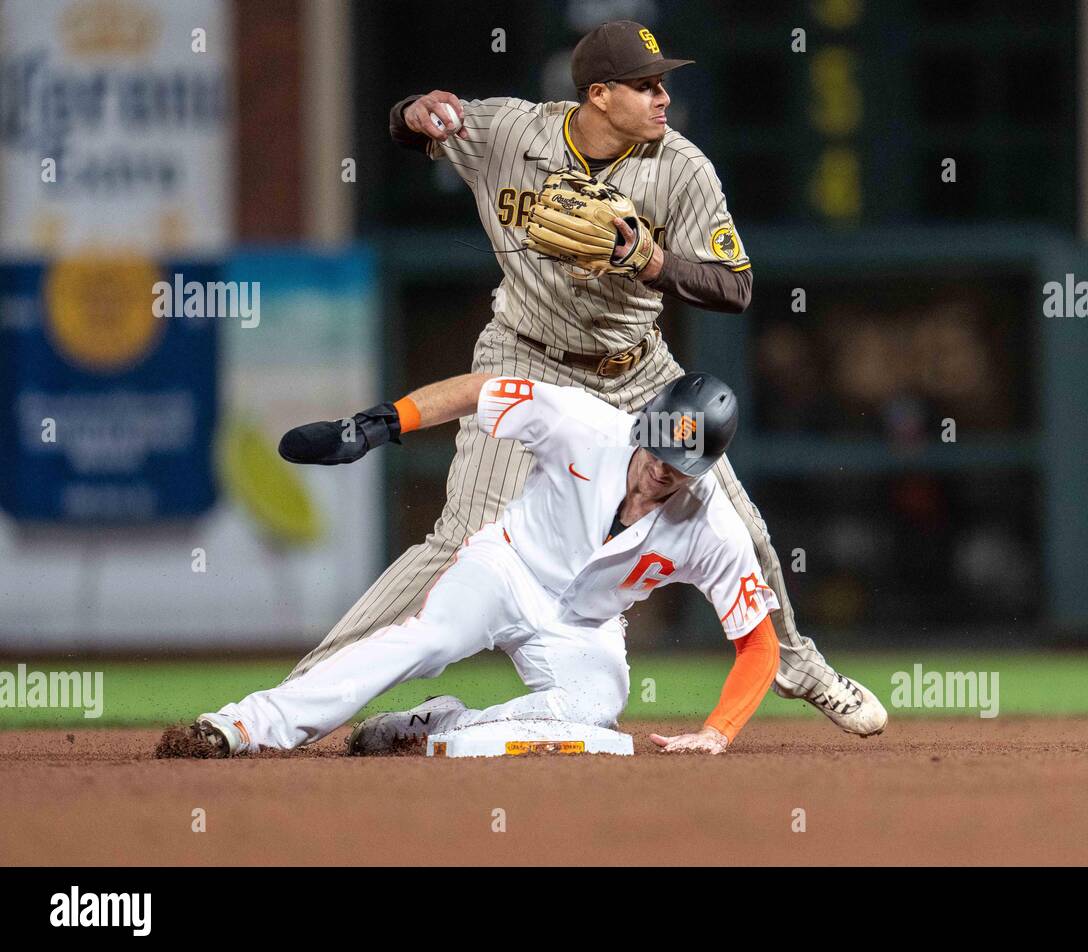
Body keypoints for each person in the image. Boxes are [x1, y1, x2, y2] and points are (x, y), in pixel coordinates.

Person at [284, 19, 884, 735]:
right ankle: (311, 689)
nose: (663, 97)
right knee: (457, 539)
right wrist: (411, 111)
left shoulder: (680, 165)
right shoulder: (511, 133)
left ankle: (797, 665)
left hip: (635, 369)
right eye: (646, 85)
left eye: (663, 82)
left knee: (742, 526)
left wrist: (655, 264)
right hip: (523, 349)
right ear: (598, 94)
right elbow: (415, 129)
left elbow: (735, 288)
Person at [171, 373, 887, 757]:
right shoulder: (583, 424)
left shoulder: (711, 526)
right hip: (506, 569)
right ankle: (243, 727)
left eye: (682, 466)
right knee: (428, 640)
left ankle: (434, 729)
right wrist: (378, 424)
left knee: (596, 713)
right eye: (658, 452)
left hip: (584, 625)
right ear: (645, 423)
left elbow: (760, 645)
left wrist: (718, 732)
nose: (661, 473)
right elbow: (481, 391)